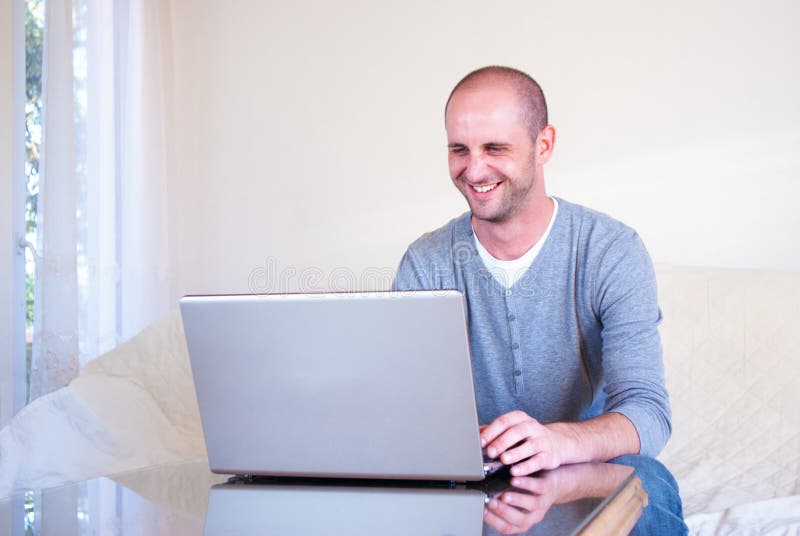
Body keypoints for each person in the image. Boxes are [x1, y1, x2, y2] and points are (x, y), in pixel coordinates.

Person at [392, 66, 687, 533]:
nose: (474, 169)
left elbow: (647, 413)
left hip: (586, 471)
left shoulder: (611, 250)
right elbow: (404, 413)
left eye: (495, 148)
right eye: (459, 150)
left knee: (648, 483)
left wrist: (556, 443)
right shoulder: (425, 263)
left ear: (543, 144)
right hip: (474, 480)